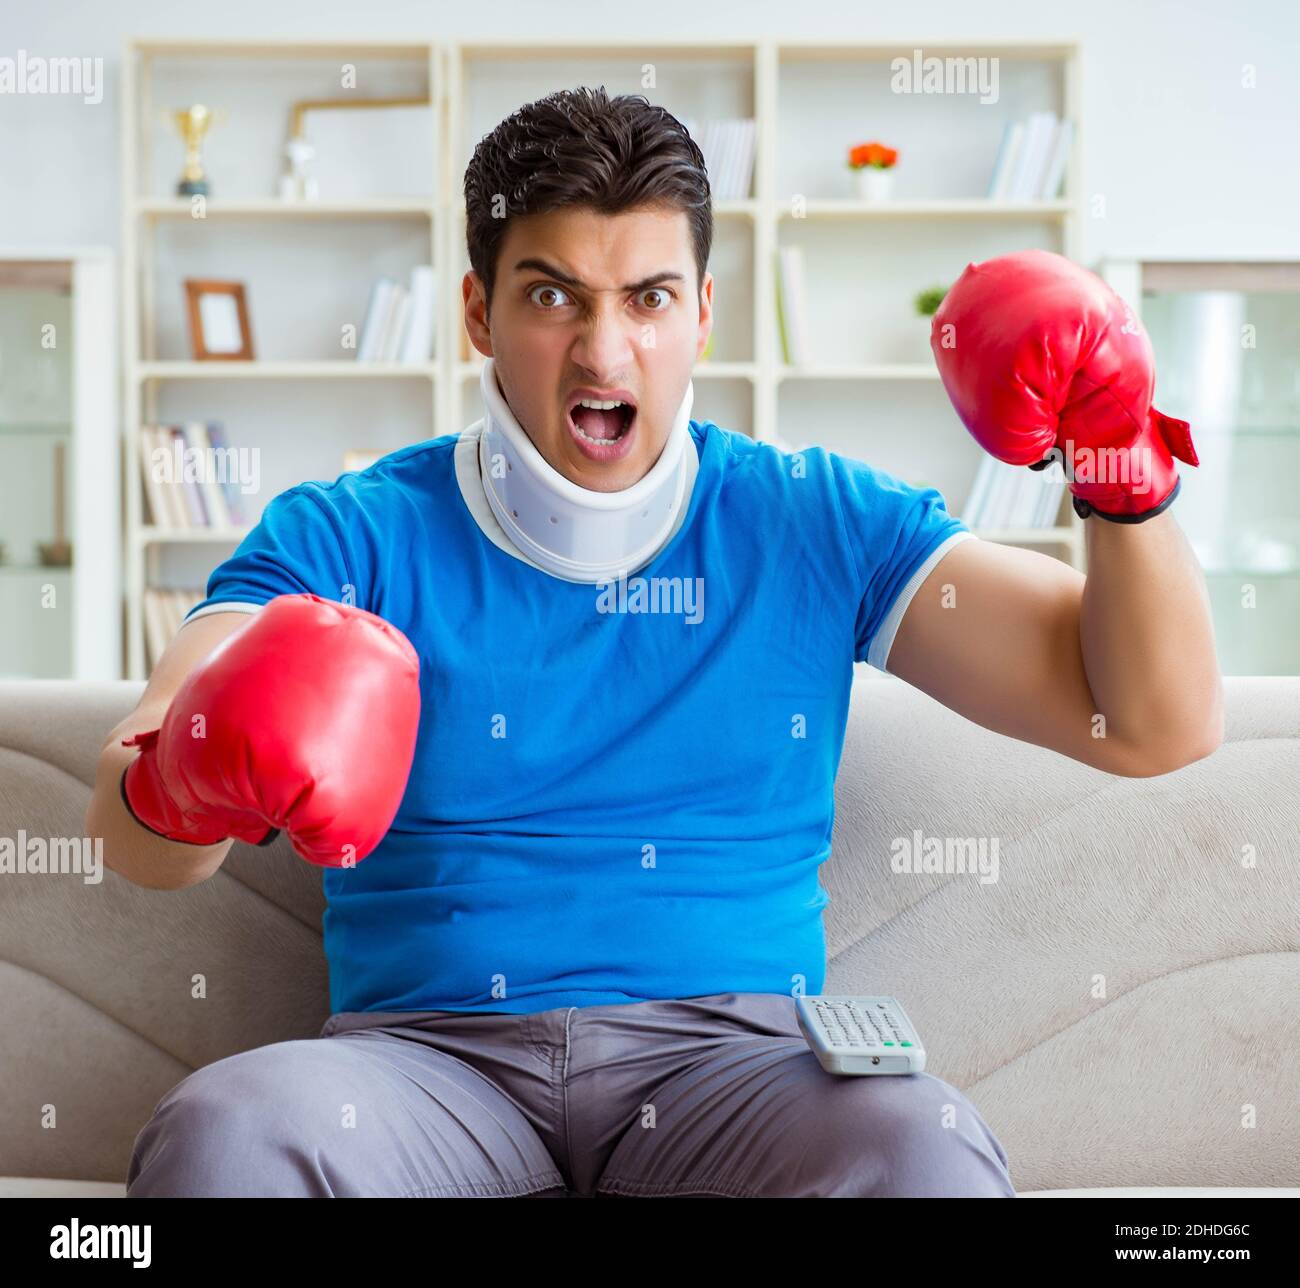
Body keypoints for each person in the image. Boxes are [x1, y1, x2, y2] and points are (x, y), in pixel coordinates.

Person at [89, 86, 1222, 1199]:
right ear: (480, 312)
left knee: (921, 1142)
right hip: (421, 1065)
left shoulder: (813, 517)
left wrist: (1121, 463)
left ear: (702, 313)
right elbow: (134, 832)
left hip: (735, 1070)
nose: (603, 351)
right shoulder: (349, 530)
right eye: (552, 296)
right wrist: (194, 767)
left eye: (647, 298)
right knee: (224, 1135)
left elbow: (1150, 724)